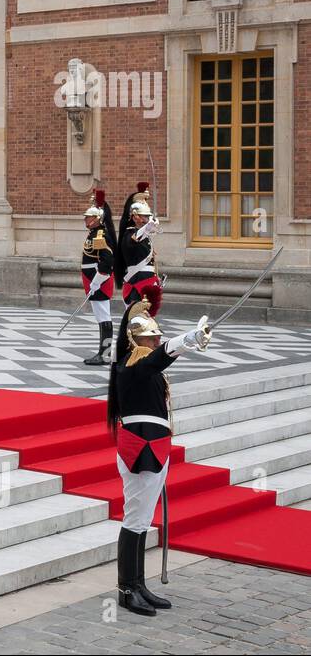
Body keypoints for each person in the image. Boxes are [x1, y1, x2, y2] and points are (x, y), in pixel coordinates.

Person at [106, 301, 211, 617]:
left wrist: (190, 342)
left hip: (155, 446)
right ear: (137, 340)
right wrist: (188, 339)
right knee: (134, 521)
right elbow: (159, 358)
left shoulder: (144, 367)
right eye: (150, 338)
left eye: (156, 337)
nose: (154, 341)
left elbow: (159, 361)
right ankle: (127, 589)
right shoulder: (131, 365)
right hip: (141, 449)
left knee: (142, 521)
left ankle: (138, 584)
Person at [80, 189, 117, 365]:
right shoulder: (94, 233)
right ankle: (105, 352)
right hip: (93, 281)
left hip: (99, 281)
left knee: (104, 318)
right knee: (101, 318)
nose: (86, 219)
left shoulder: (100, 235)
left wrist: (97, 281)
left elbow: (107, 261)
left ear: (97, 220)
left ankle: (105, 354)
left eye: (89, 217)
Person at [115, 181, 162, 316]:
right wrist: (147, 228)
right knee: (137, 319)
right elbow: (135, 239)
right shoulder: (130, 234)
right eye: (145, 216)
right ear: (135, 217)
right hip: (138, 281)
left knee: (148, 319)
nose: (148, 219)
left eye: (148, 216)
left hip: (148, 280)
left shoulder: (145, 236)